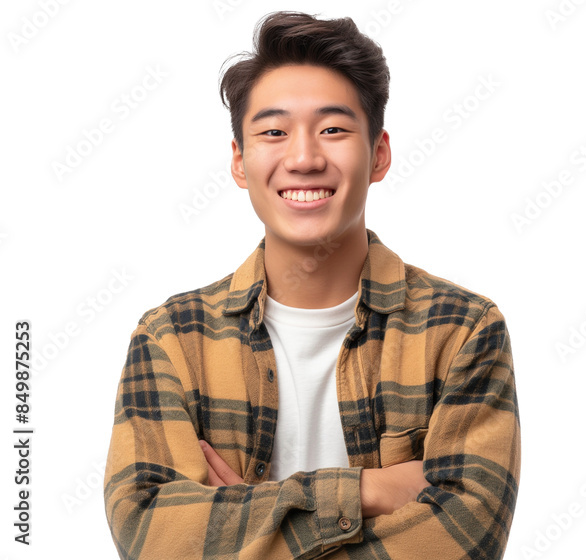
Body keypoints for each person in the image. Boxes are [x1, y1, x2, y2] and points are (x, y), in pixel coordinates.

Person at [102, 11, 520, 559]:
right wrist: (371, 490)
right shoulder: (172, 339)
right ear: (239, 161)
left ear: (378, 154)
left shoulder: (462, 329)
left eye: (333, 130)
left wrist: (247, 511)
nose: (303, 158)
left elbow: (469, 538)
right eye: (273, 132)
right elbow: (148, 534)